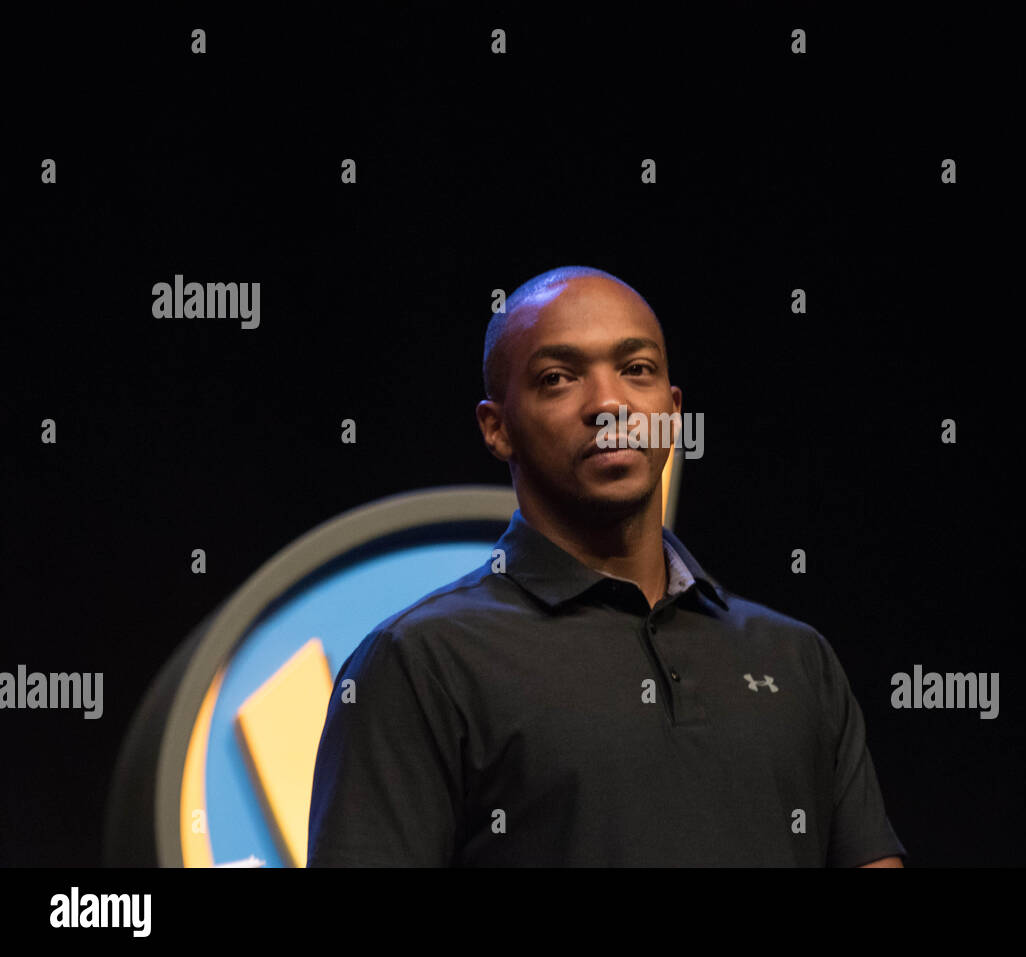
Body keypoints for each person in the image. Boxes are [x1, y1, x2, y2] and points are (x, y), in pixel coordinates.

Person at [306, 265, 906, 867]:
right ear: (497, 428)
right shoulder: (420, 663)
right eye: (558, 378)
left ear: (671, 412)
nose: (610, 403)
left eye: (636, 370)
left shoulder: (796, 657)